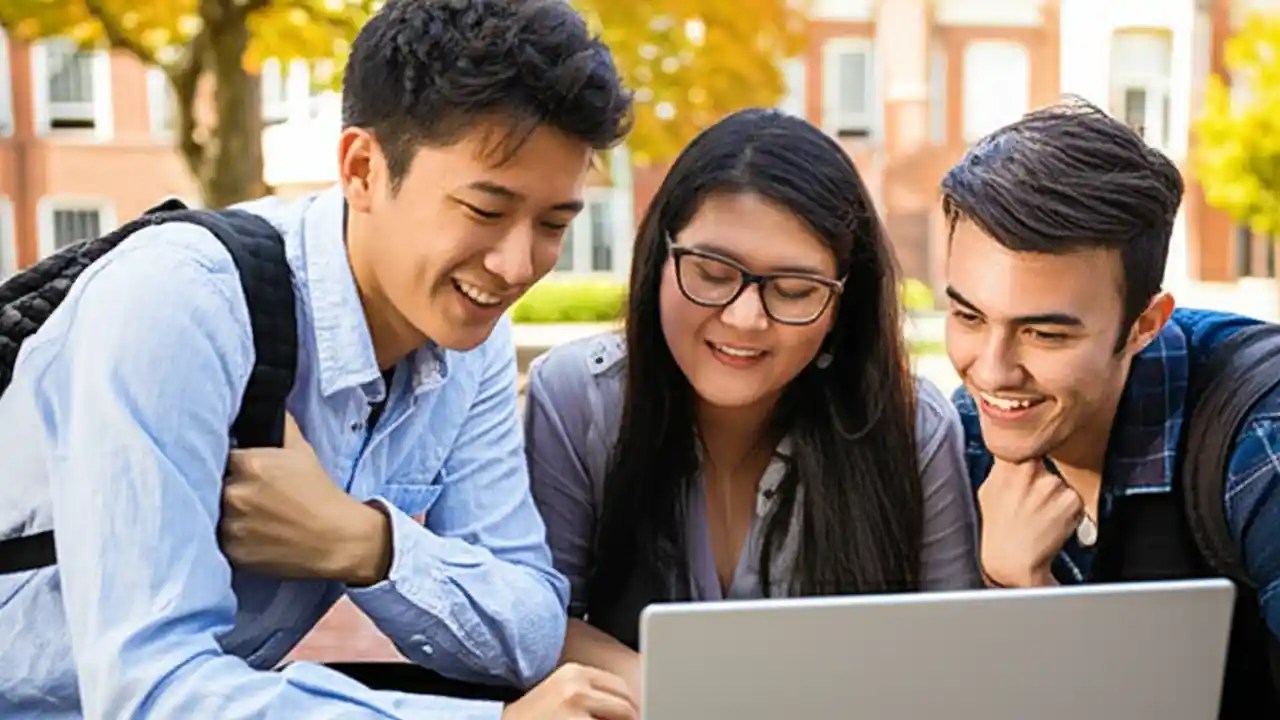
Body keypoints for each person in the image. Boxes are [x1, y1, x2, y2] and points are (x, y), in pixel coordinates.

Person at [0, 0, 640, 717]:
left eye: (554, 223)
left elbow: (528, 627)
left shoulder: (468, 334)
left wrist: (364, 542)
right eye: (485, 211)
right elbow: (150, 690)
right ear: (362, 168)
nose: (518, 264)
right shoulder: (180, 301)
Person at [523, 108, 983, 699]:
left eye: (794, 291)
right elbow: (535, 617)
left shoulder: (911, 424)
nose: (745, 319)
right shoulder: (577, 396)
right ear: (658, 257)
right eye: (712, 274)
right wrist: (691, 694)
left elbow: (953, 653)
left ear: (843, 304)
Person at [941, 98, 1280, 713]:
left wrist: (1030, 594)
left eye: (1045, 334)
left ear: (1144, 324)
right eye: (968, 315)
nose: (990, 372)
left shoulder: (1262, 437)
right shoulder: (961, 438)